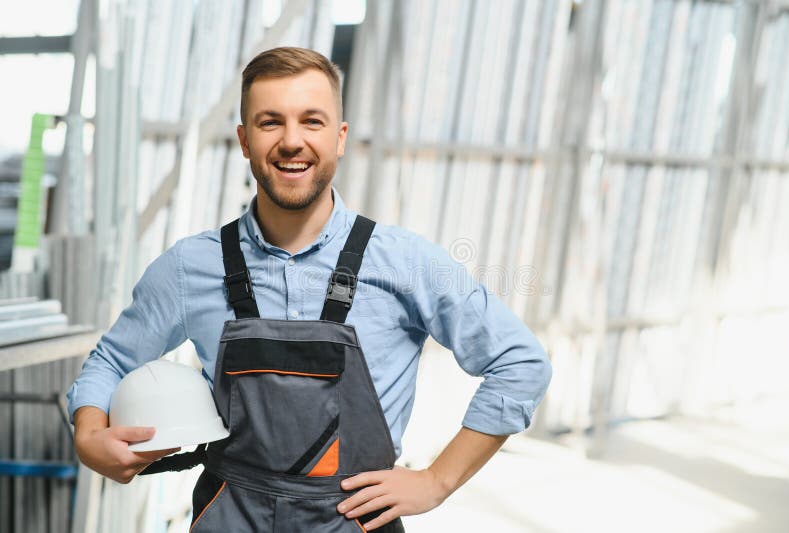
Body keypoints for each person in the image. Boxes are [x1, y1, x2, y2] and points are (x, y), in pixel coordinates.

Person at [68, 47, 552, 532]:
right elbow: (110, 362)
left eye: (312, 121)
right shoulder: (189, 267)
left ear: (339, 138)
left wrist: (436, 481)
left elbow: (520, 363)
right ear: (244, 139)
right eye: (270, 122)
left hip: (353, 522)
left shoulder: (406, 263)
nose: (291, 141)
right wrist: (89, 433)